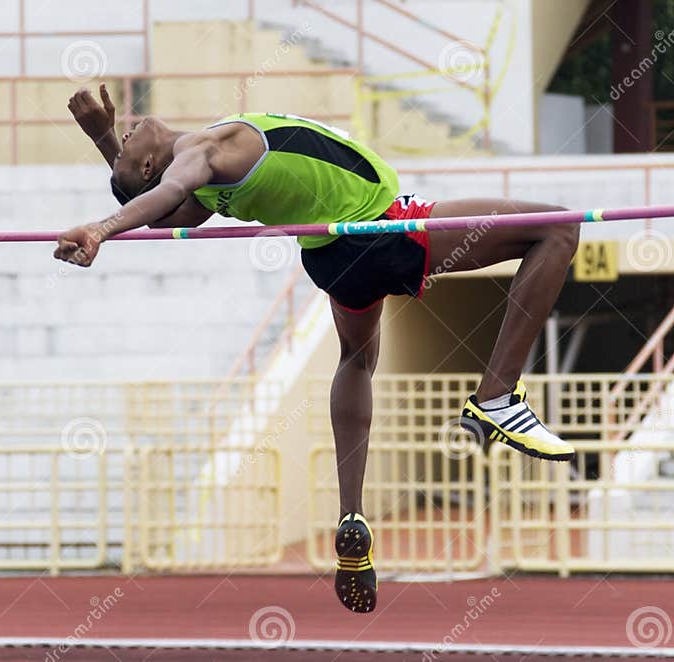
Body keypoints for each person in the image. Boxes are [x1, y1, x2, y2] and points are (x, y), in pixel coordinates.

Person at [58, 84, 579, 614]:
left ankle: (351, 513)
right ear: (150, 165)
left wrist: (104, 137)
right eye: (123, 143)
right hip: (382, 226)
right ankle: (496, 397)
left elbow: (164, 209)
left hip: (331, 256)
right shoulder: (200, 153)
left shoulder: (204, 191)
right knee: (555, 230)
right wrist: (102, 228)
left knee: (357, 358)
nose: (125, 131)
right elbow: (160, 196)